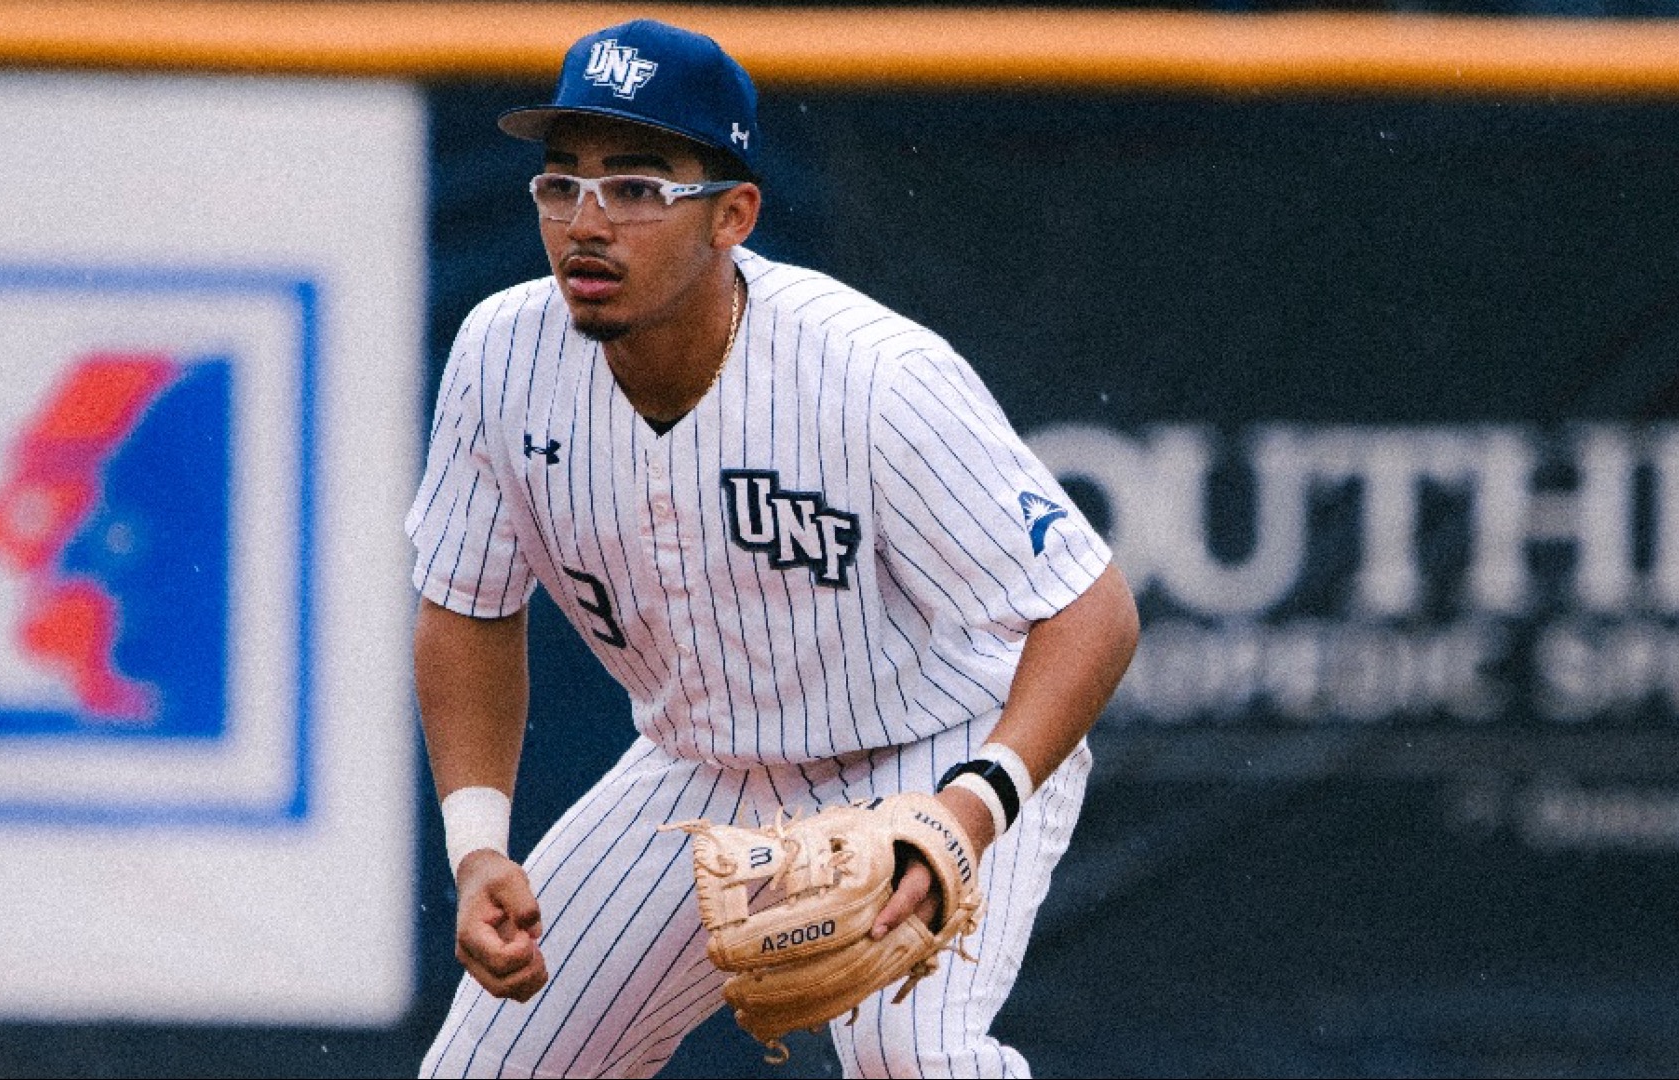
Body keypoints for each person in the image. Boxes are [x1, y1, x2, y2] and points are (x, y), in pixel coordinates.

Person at [407, 18, 1139, 1078]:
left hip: (936, 740)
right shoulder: (501, 354)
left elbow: (1091, 609)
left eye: (637, 186)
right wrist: (478, 846)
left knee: (908, 1050)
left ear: (733, 216)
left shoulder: (870, 373)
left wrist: (967, 811)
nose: (586, 221)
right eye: (560, 183)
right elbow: (468, 605)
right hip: (701, 766)